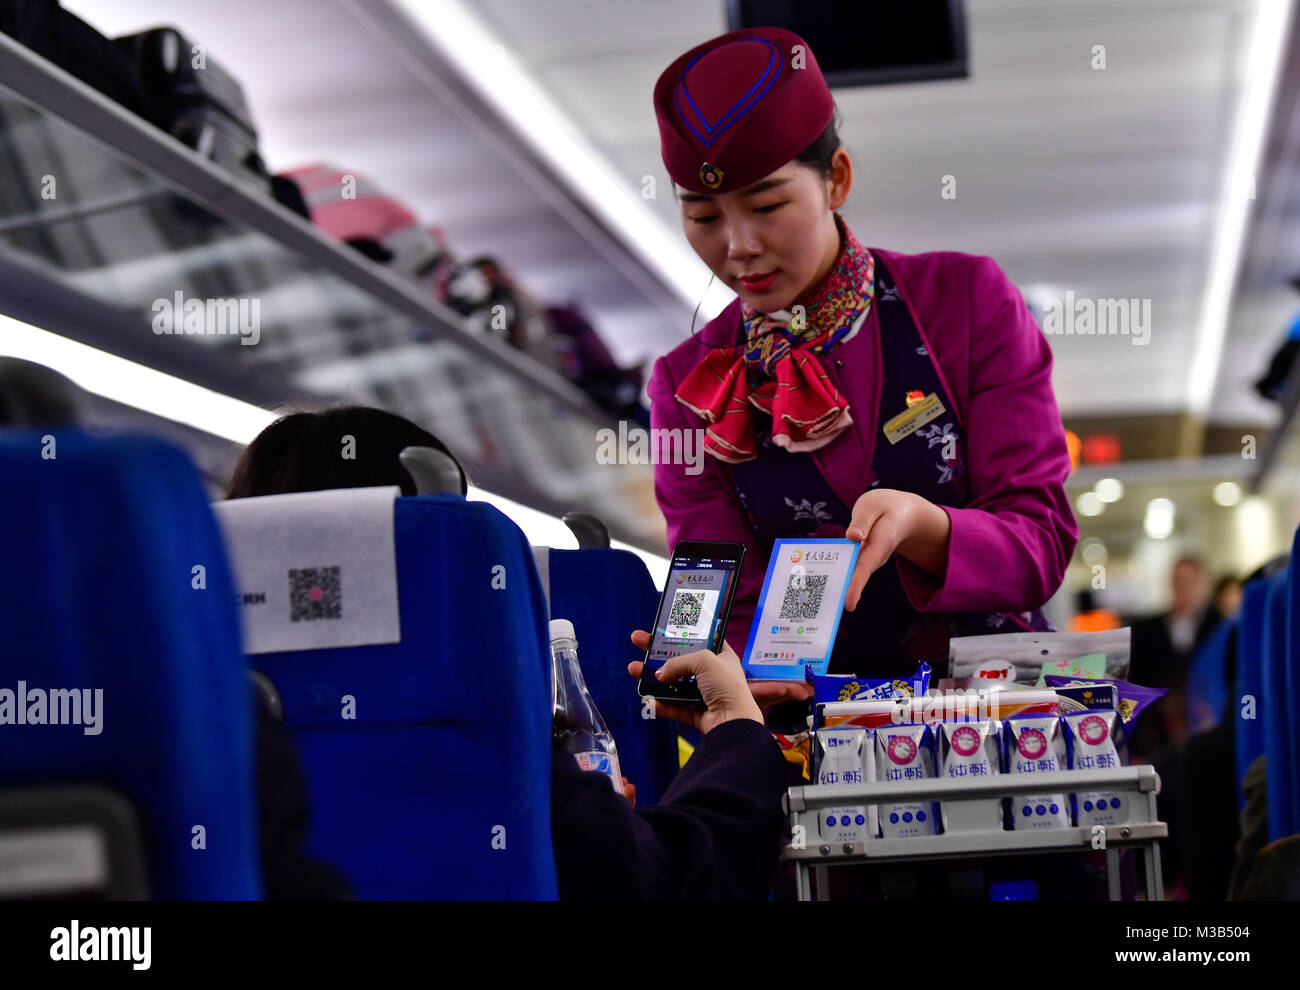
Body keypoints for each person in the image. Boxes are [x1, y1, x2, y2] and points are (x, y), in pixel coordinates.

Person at [648, 27, 1077, 681]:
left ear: (836, 180)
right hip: (813, 741)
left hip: (993, 717)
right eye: (703, 218)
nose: (736, 246)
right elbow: (714, 588)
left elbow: (1039, 544)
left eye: (767, 206)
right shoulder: (688, 384)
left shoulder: (963, 302)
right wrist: (693, 664)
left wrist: (926, 525)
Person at [231, 405, 789, 898]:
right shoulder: (483, 739)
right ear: (431, 558)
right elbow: (671, 879)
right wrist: (737, 730)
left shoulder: (187, 736)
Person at [1128, 555, 1220, 754]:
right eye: (1177, 581)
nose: (1182, 588)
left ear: (1200, 584)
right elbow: (1137, 681)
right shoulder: (1147, 630)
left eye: (1188, 582)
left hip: (1205, 722)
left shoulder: (1218, 626)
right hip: (1158, 731)